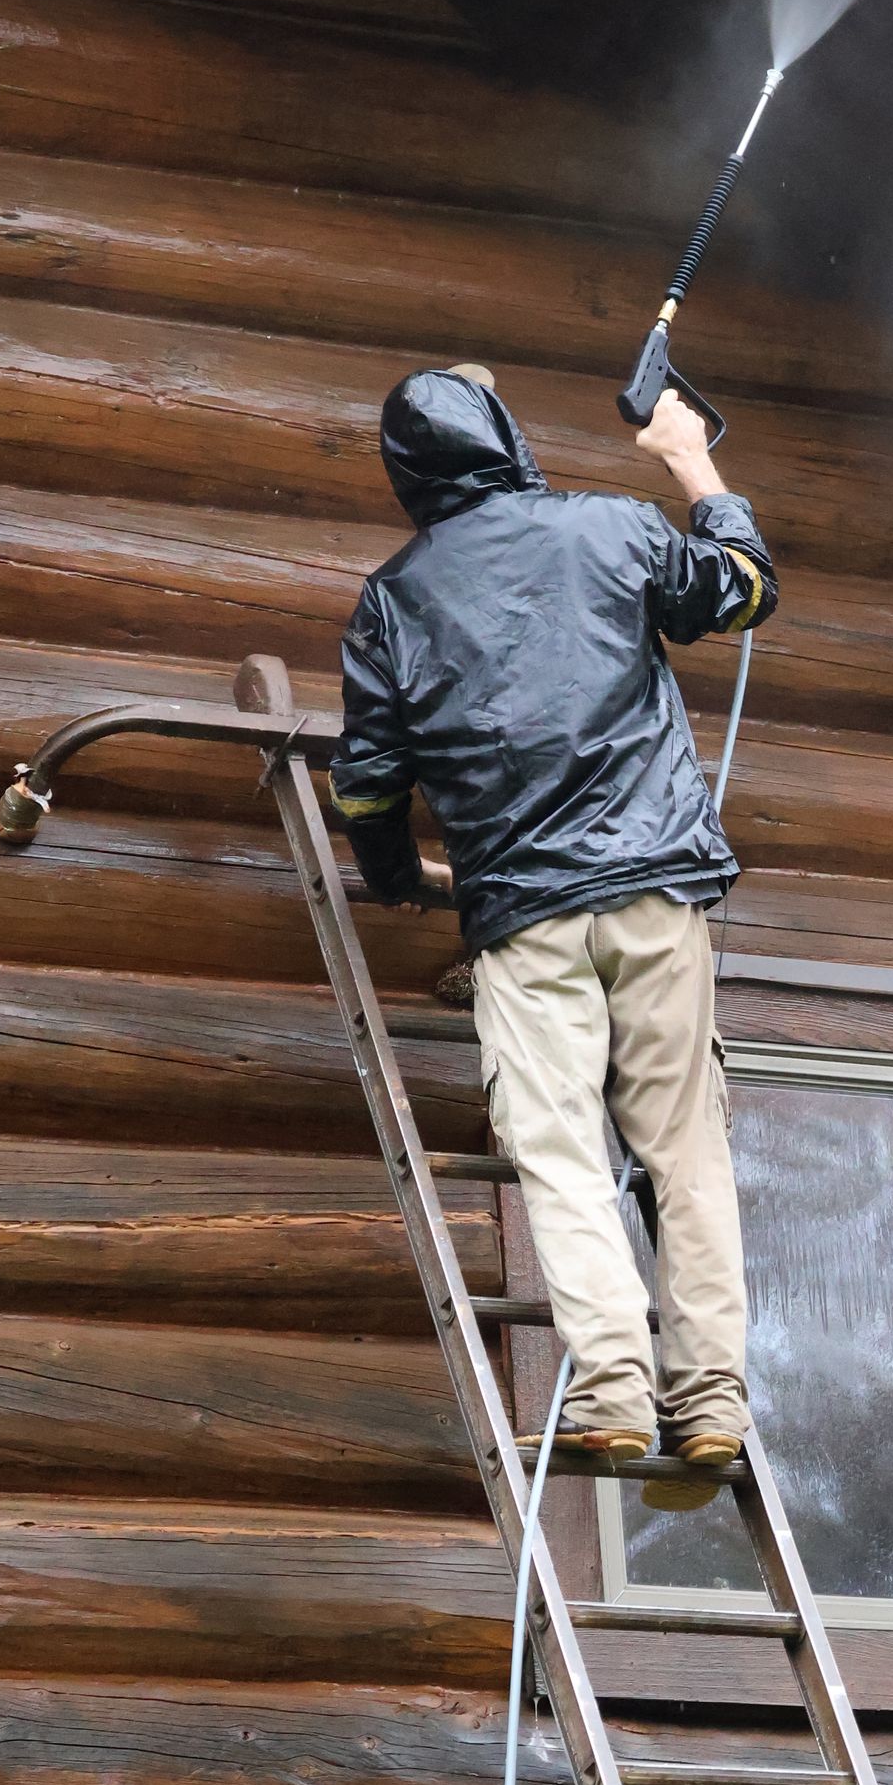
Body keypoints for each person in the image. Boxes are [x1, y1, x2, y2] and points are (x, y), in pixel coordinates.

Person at [328, 363, 777, 1489]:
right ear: (504, 439)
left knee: (563, 1155)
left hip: (524, 921)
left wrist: (393, 881)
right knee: (684, 1152)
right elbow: (744, 591)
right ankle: (712, 1406)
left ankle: (617, 1393)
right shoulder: (613, 531)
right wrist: (687, 458)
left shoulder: (393, 600)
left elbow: (370, 784)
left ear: (406, 476)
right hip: (655, 899)